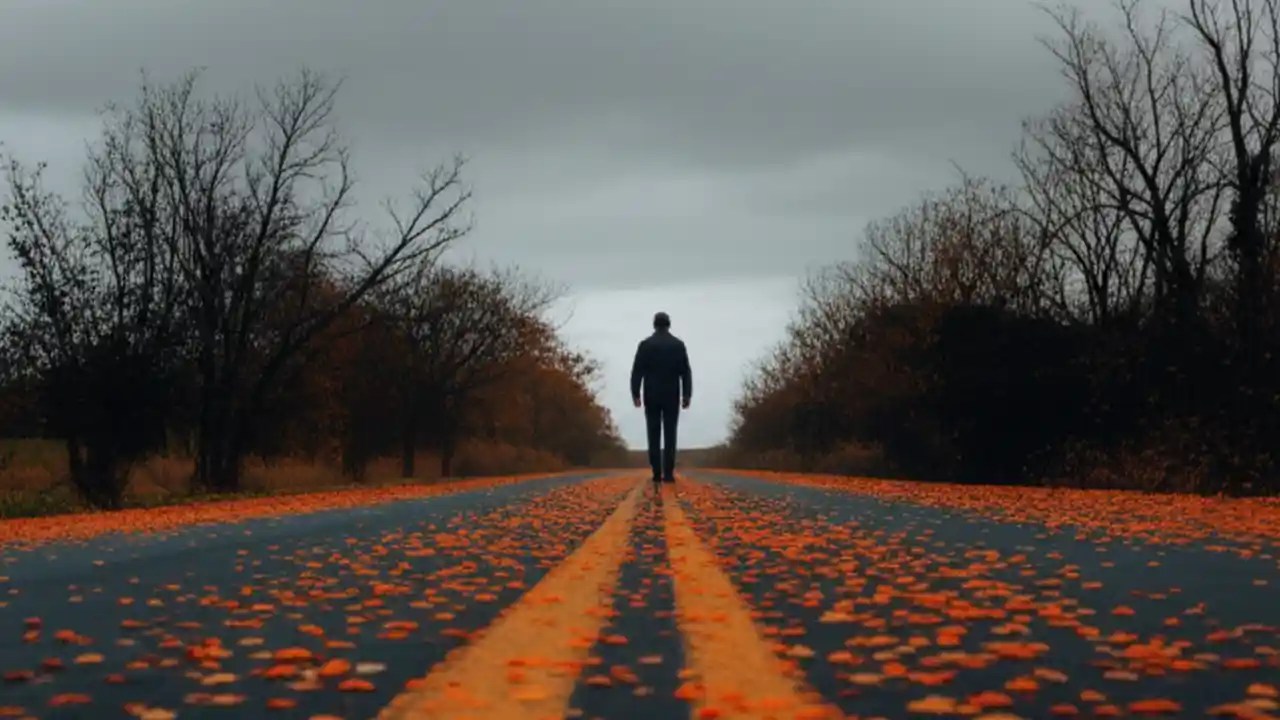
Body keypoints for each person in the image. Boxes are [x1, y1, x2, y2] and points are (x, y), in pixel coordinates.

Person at [630, 311, 692, 483]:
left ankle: (656, 471)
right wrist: (686, 394)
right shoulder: (678, 345)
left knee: (653, 432)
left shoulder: (645, 345)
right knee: (670, 433)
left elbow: (637, 371)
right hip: (672, 394)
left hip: (652, 393)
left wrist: (635, 393)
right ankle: (669, 473)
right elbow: (685, 372)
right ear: (668, 324)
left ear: (654, 325)